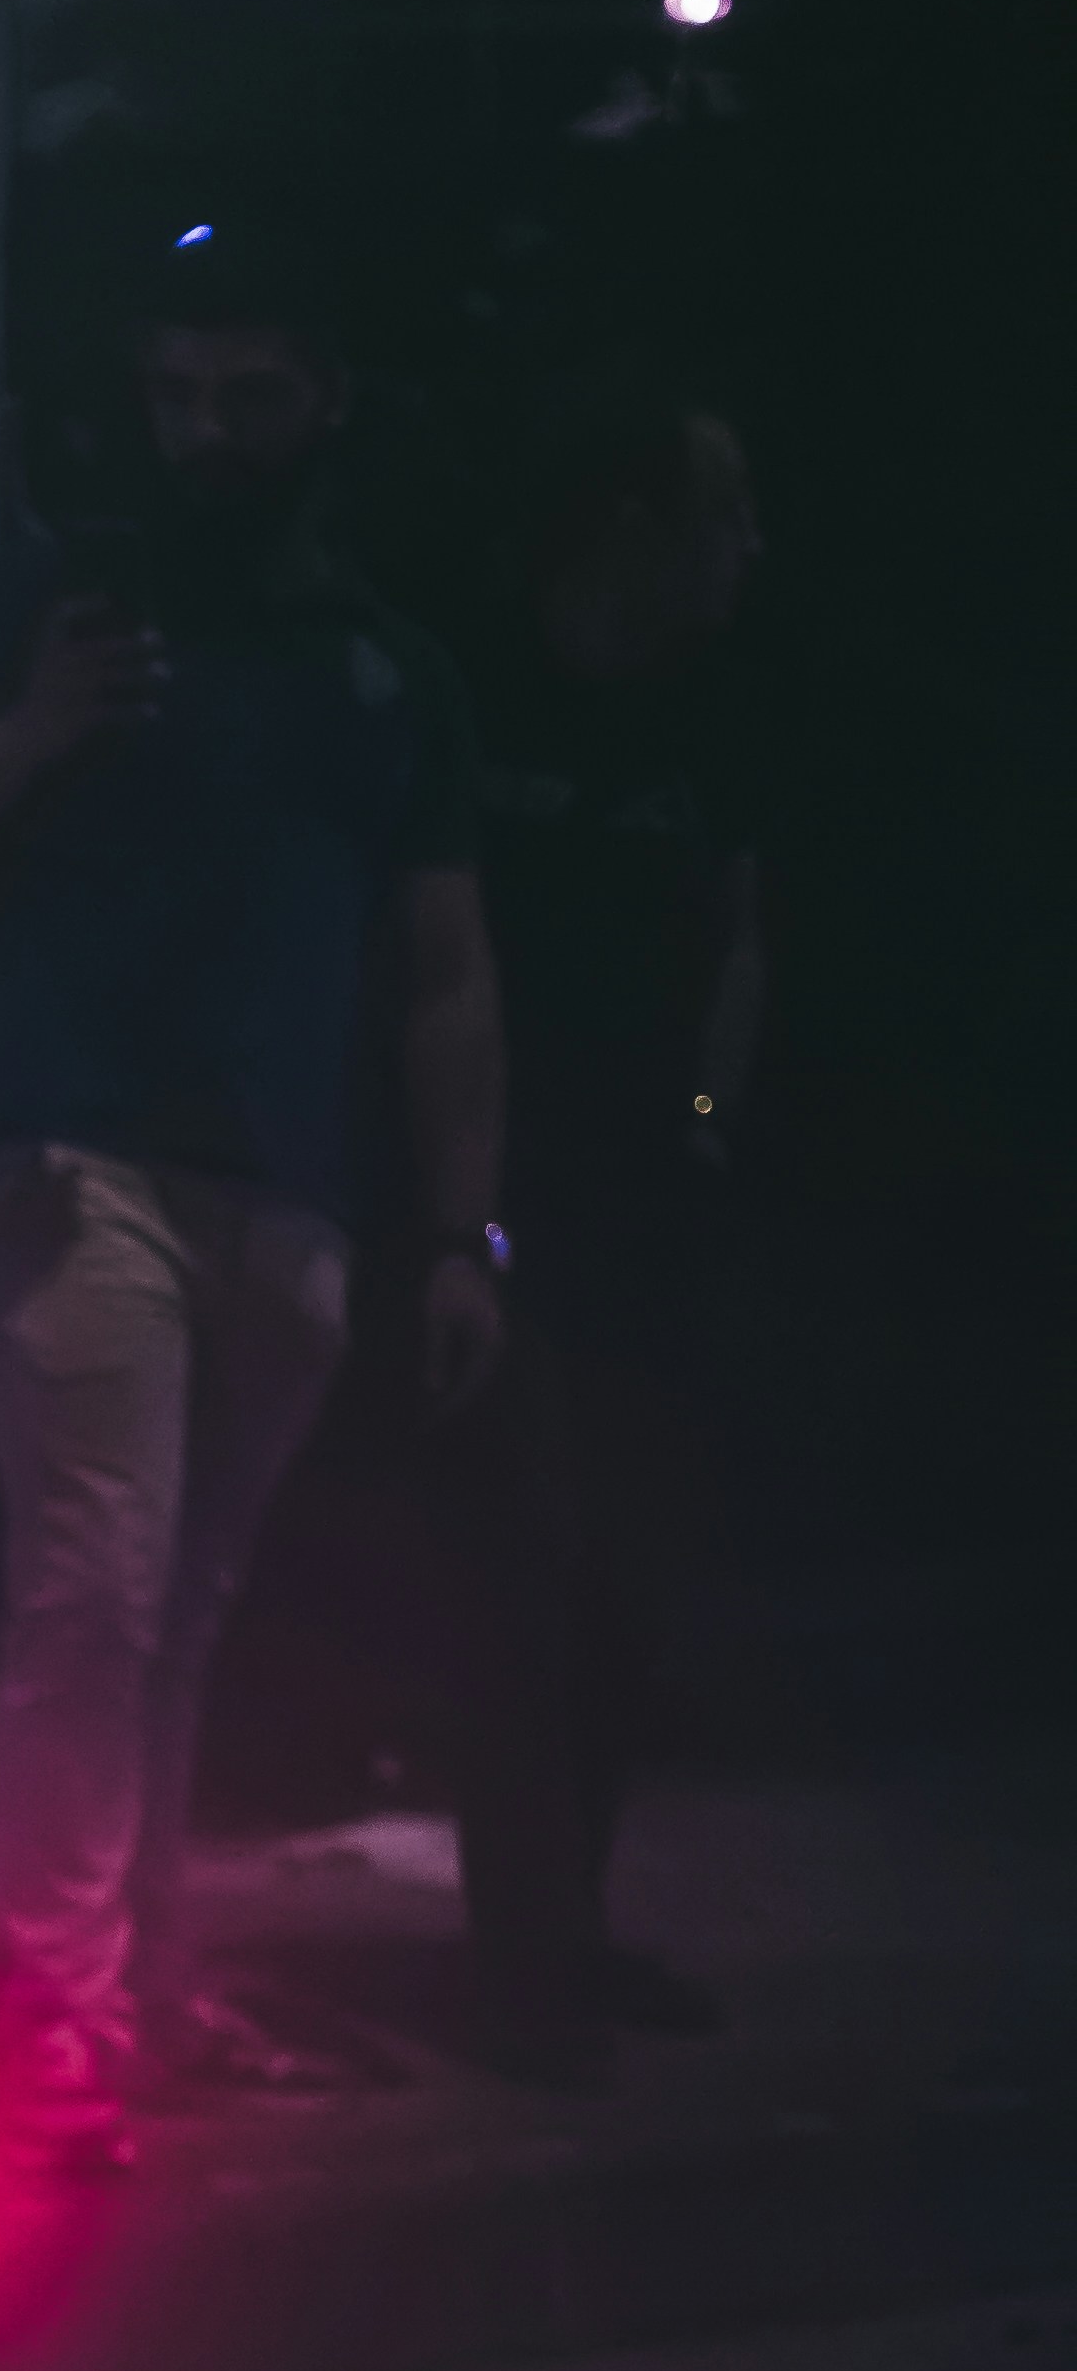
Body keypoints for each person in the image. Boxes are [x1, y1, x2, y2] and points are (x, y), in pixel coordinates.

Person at [0, 237, 506, 2169]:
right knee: (95, 1592)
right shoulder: (51, 606)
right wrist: (39, 729)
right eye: (178, 397)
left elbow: (449, 975)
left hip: (281, 1188)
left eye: (250, 396)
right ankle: (53, 2011)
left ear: (324, 406)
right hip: (69, 1161)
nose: (207, 434)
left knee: (178, 1609)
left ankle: (128, 1979)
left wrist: (463, 1231)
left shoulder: (381, 667)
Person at [434, 378, 767, 2081]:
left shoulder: (712, 724)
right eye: (718, 515)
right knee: (528, 1565)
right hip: (502, 1202)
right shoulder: (485, 705)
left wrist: (716, 1128)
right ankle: (526, 1950)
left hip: (653, 1205)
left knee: (625, 1573)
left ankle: (573, 1921)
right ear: (632, 529)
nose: (745, 554)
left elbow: (740, 932)